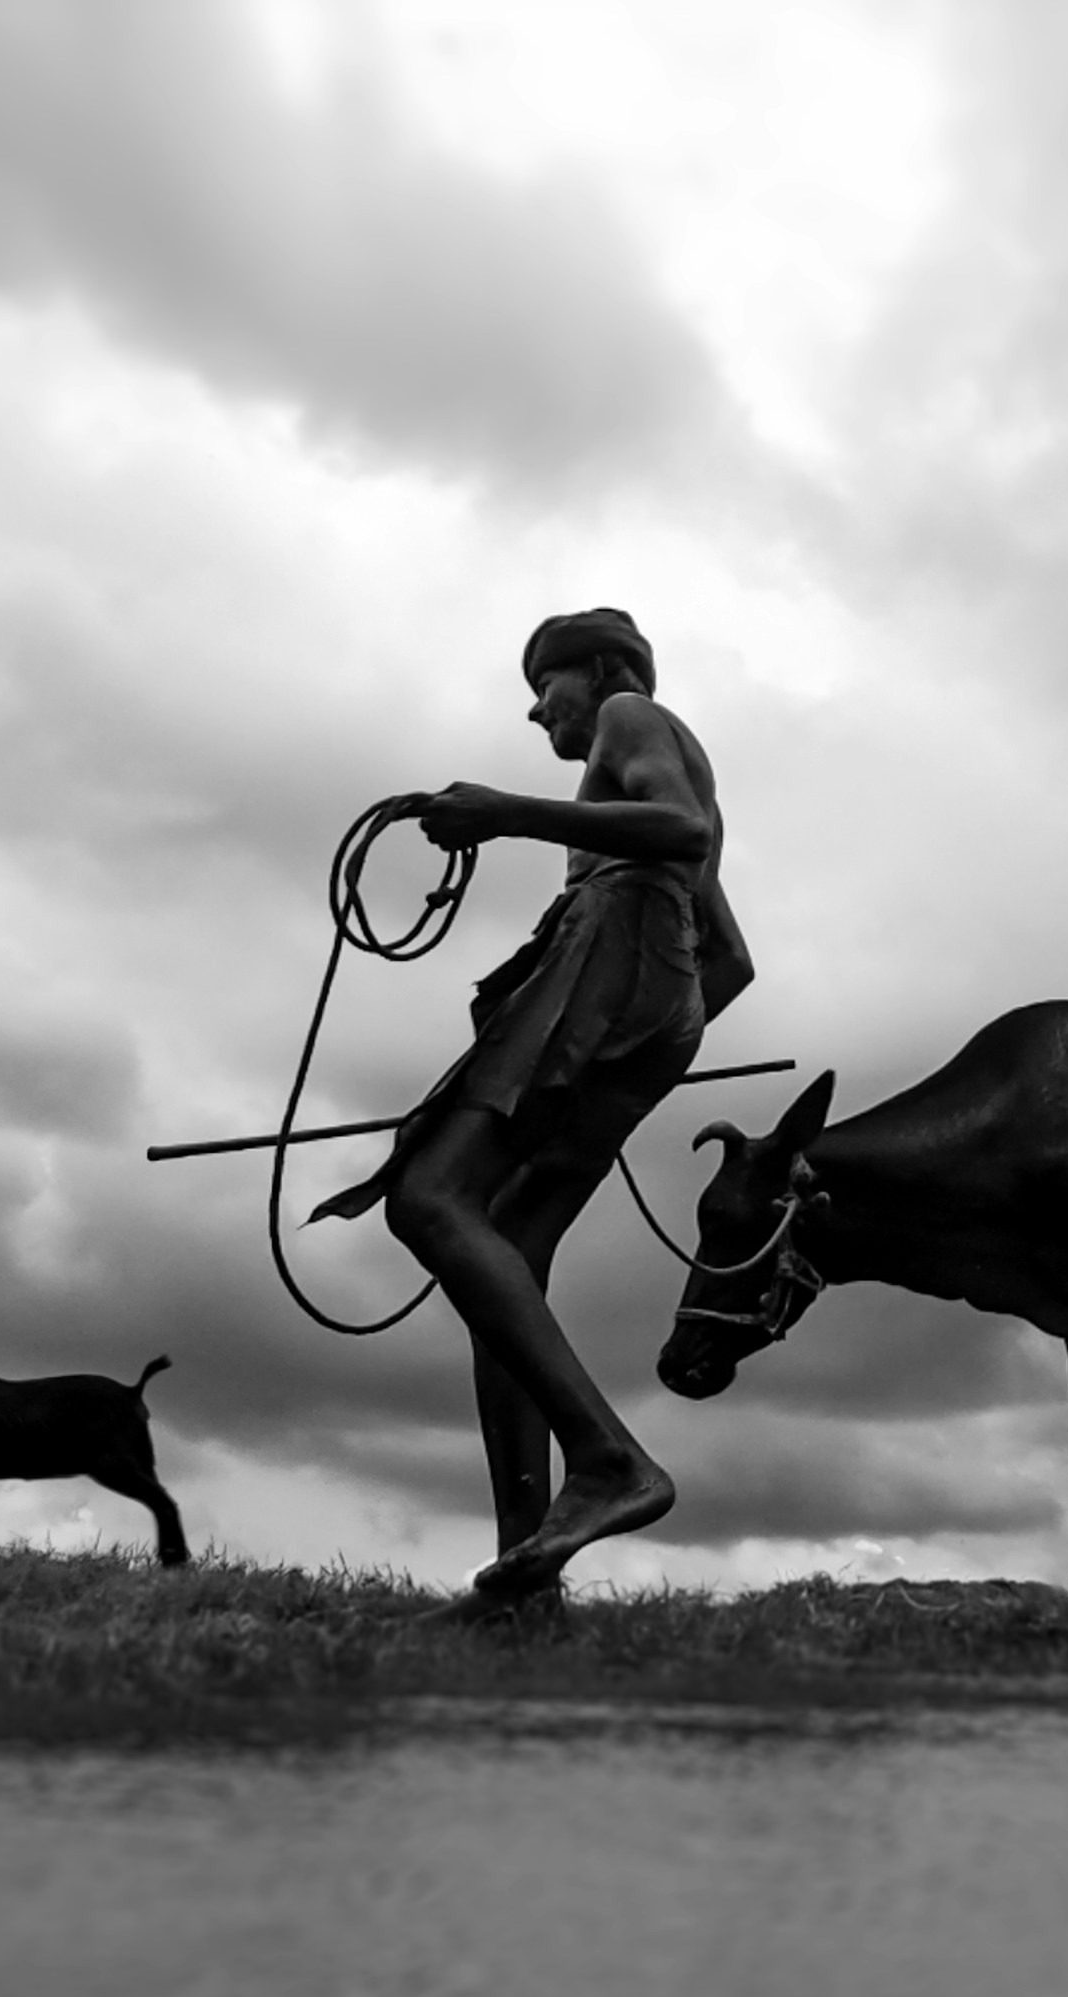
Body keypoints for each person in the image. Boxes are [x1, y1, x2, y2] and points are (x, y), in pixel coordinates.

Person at [314, 608, 752, 1607]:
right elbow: (728, 959)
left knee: (429, 1198)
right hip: (650, 990)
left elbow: (674, 832)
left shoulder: (632, 715)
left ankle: (607, 1463)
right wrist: (641, 1054)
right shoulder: (648, 759)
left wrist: (507, 814)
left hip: (616, 958)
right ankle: (529, 1563)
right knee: (502, 1248)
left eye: (545, 683)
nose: (533, 708)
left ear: (598, 671)